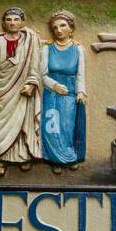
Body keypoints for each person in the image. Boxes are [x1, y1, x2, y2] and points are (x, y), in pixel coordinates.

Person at [0, 6, 41, 177]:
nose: (12, 23)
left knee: (22, 123)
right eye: (9, 20)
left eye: (16, 19)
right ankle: (1, 159)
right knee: (1, 127)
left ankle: (24, 156)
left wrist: (31, 84)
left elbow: (35, 66)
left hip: (23, 91)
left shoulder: (30, 41)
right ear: (3, 23)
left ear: (22, 22)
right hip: (3, 92)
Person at [38, 10, 87, 172]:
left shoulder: (78, 49)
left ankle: (67, 157)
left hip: (70, 95)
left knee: (67, 127)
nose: (59, 30)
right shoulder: (47, 49)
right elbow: (42, 74)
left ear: (70, 28)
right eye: (55, 27)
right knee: (52, 127)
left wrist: (81, 92)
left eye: (63, 26)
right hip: (52, 94)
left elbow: (80, 73)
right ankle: (53, 159)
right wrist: (54, 86)